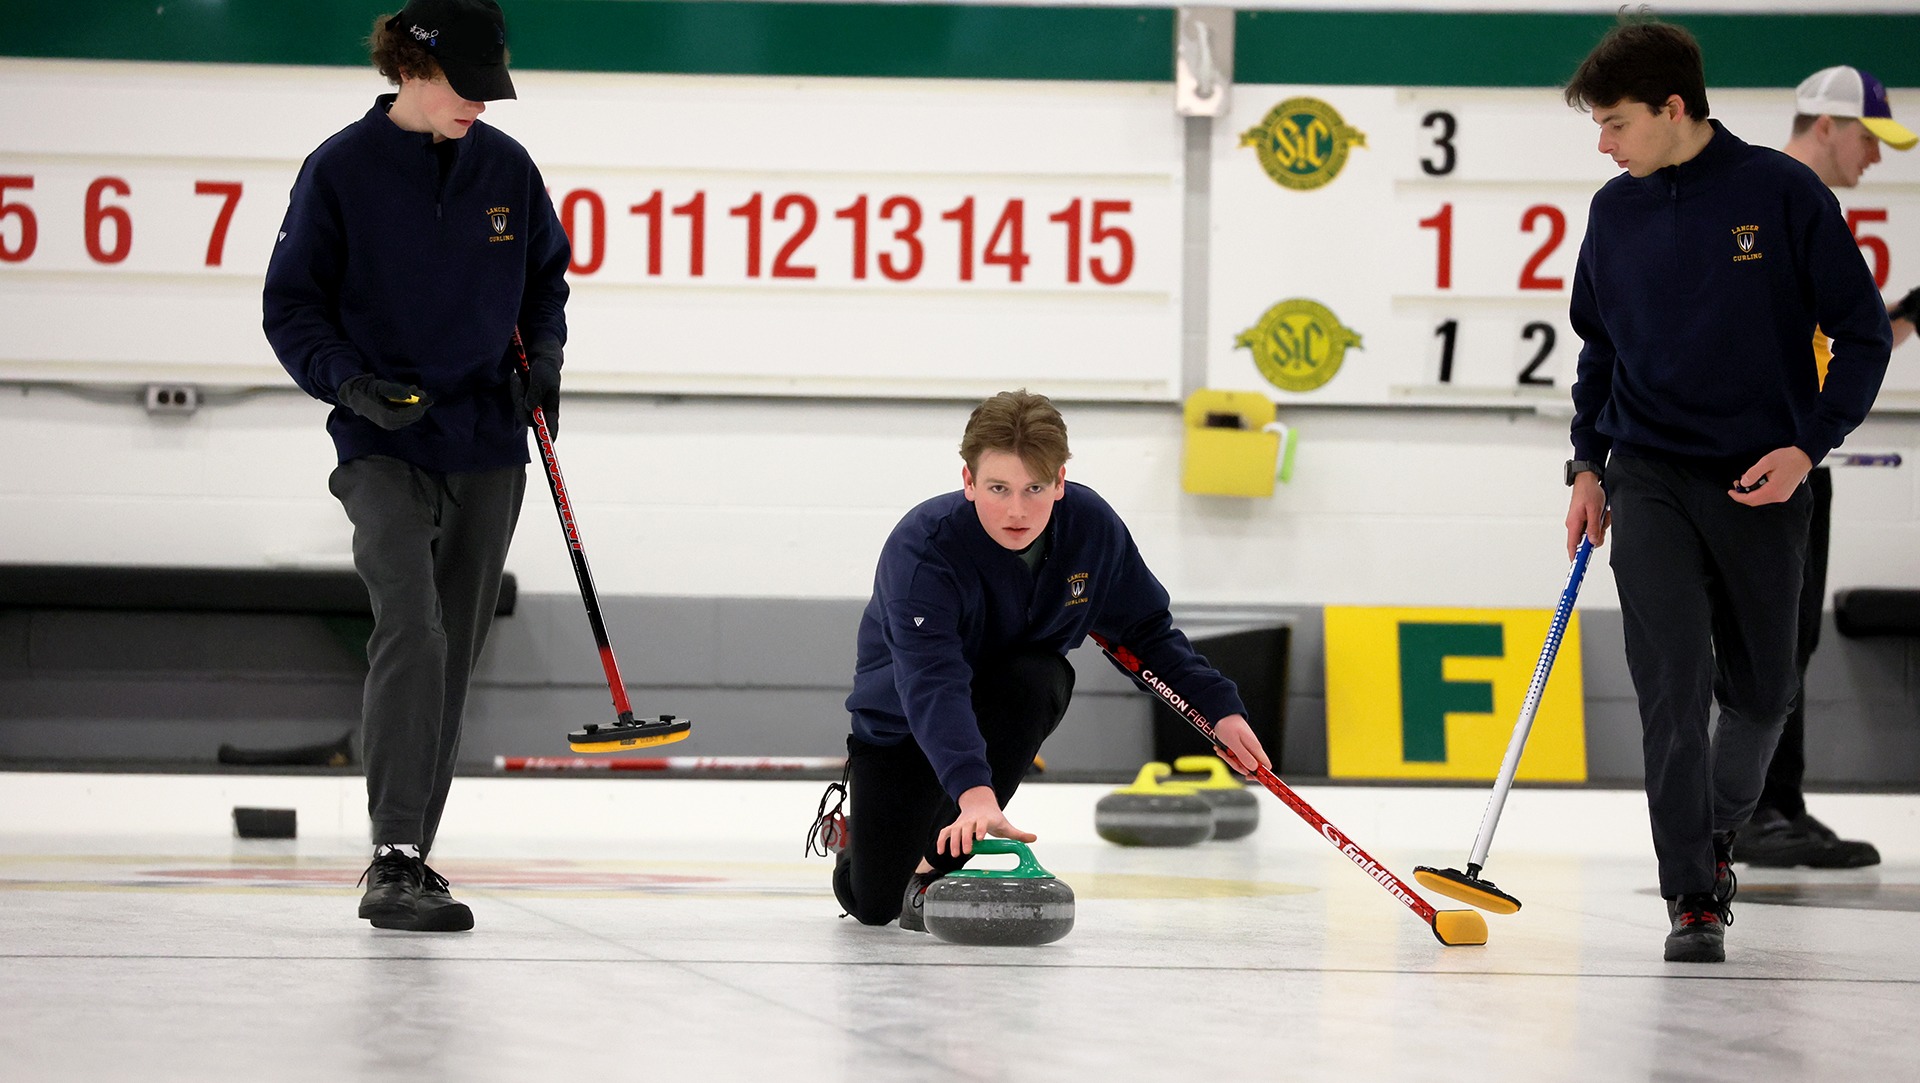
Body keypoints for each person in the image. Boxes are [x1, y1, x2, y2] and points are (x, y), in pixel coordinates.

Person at [1560, 19, 1892, 963]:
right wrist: (1587, 465)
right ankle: (1693, 896)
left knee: (1759, 693)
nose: (1604, 144)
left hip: (1761, 482)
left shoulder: (1781, 194)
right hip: (1648, 475)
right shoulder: (1612, 211)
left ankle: (1710, 838)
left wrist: (1809, 447)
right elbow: (1601, 350)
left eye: (1616, 123)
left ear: (1673, 109)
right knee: (1669, 689)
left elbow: (1863, 337)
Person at [262, 0, 570, 932]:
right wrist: (350, 385)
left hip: (487, 444)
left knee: (454, 657)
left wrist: (543, 368)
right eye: (465, 88)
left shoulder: (507, 167)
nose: (481, 103)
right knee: (414, 627)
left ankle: (413, 858)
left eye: (490, 87)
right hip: (382, 441)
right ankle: (393, 854)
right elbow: (292, 308)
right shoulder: (341, 170)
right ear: (412, 69)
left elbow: (543, 286)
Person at [819, 390, 1273, 930]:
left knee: (1037, 676)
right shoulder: (923, 548)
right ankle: (862, 840)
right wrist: (976, 791)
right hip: (902, 726)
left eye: (1035, 488)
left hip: (1006, 704)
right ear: (968, 482)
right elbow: (931, 682)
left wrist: (1219, 709)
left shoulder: (1091, 529)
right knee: (873, 906)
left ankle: (931, 866)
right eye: (998, 489)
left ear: (1060, 480)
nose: (1017, 510)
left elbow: (1146, 633)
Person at [1738, 66, 1918, 870]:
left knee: (1793, 637)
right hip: (1766, 451)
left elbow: (1826, 338)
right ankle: (1746, 811)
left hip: (1801, 448)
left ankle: (1778, 803)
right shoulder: (1768, 203)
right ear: (1825, 126)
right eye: (1868, 139)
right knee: (1763, 639)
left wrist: (1906, 316)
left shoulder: (1801, 207)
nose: (1875, 157)